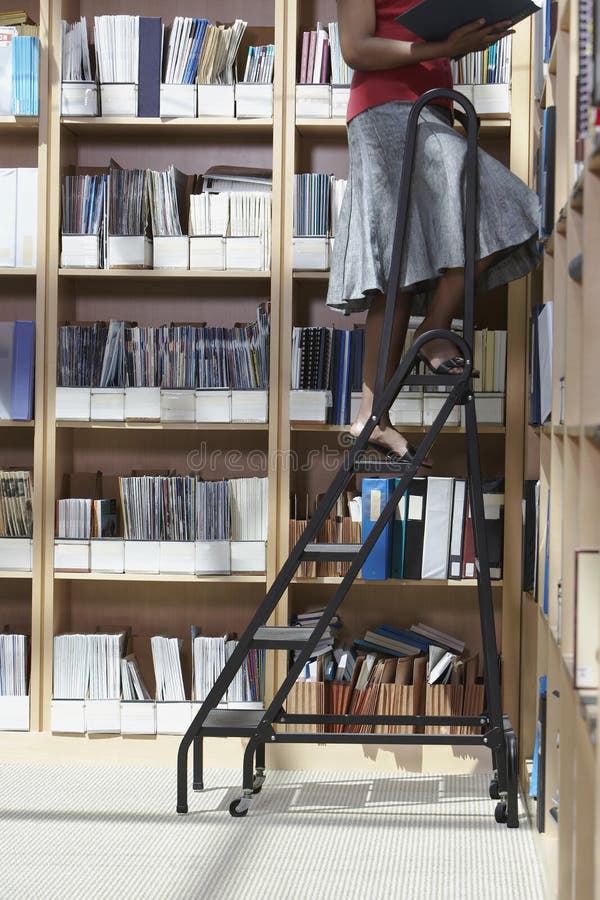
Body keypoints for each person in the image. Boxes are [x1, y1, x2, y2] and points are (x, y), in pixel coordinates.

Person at [328, 0, 540, 464]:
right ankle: (435, 329)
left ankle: (371, 415)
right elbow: (355, 47)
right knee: (493, 206)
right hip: (388, 109)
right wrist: (445, 45)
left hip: (429, 109)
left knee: (401, 267)